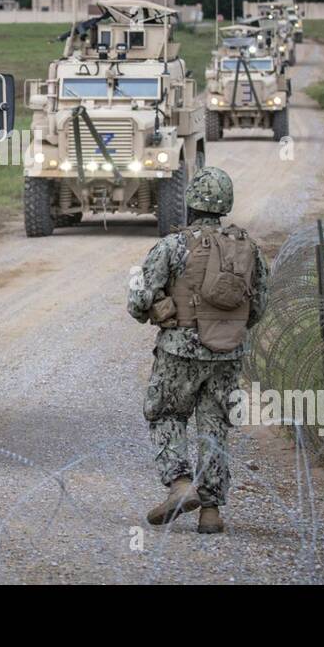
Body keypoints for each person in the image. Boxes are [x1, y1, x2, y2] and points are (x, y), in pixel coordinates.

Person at [127, 166, 269, 533]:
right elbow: (259, 307)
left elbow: (138, 301)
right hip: (227, 353)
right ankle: (211, 512)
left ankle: (179, 484)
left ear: (191, 201)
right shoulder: (248, 248)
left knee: (166, 415)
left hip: (179, 352)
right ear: (226, 204)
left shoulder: (172, 246)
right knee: (215, 425)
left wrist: (159, 309)